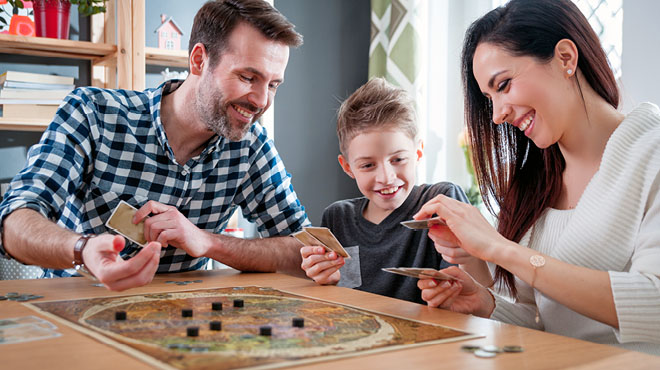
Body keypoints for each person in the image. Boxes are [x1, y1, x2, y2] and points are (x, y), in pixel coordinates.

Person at [0, 0, 310, 291]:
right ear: (199, 60)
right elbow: (13, 223)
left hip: (182, 323)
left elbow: (304, 250)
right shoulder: (93, 113)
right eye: (247, 77)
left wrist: (207, 242)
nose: (261, 101)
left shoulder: (251, 146)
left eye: (273, 85)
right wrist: (83, 249)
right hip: (77, 305)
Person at [414, 0, 660, 354]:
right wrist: (485, 304)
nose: (497, 115)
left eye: (504, 85)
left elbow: (653, 302)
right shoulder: (534, 182)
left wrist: (501, 249)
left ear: (565, 58)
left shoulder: (651, 154)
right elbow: (541, 321)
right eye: (488, 99)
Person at [299, 78, 469, 304]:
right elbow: (340, 295)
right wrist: (326, 280)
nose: (387, 177)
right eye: (368, 165)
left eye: (398, 159)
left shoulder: (442, 202)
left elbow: (467, 291)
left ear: (418, 153)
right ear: (348, 167)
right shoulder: (338, 217)